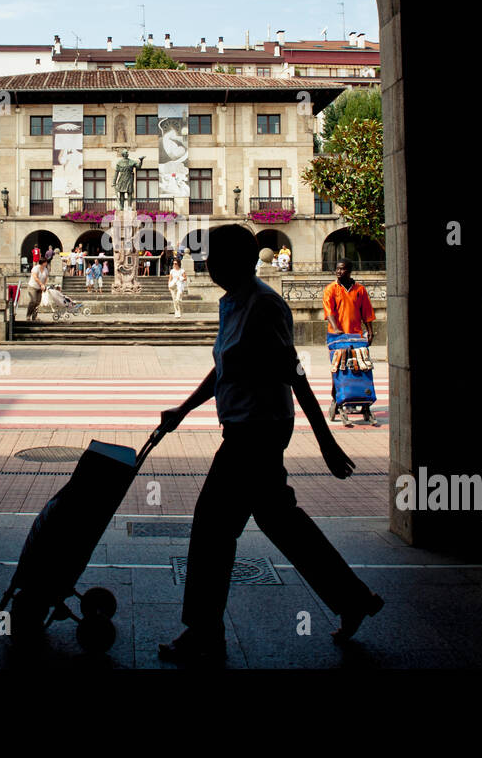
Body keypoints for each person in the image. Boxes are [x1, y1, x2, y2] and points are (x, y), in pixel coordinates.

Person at [155, 224, 384, 664]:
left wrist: (326, 443)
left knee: (211, 529)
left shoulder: (263, 305)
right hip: (244, 428)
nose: (207, 265)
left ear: (240, 259)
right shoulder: (232, 303)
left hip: (256, 434)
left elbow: (293, 373)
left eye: (214, 257)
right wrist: (182, 410)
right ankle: (353, 598)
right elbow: (225, 368)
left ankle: (204, 632)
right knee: (282, 522)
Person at [323, 259, 377, 426]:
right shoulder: (331, 289)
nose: (339, 272)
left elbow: (366, 311)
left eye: (343, 269)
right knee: (339, 368)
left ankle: (363, 403)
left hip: (355, 335)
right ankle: (338, 400)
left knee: (360, 367)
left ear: (350, 271)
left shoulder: (359, 289)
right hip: (337, 336)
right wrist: (336, 327)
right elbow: (329, 311)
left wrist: (370, 330)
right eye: (337, 269)